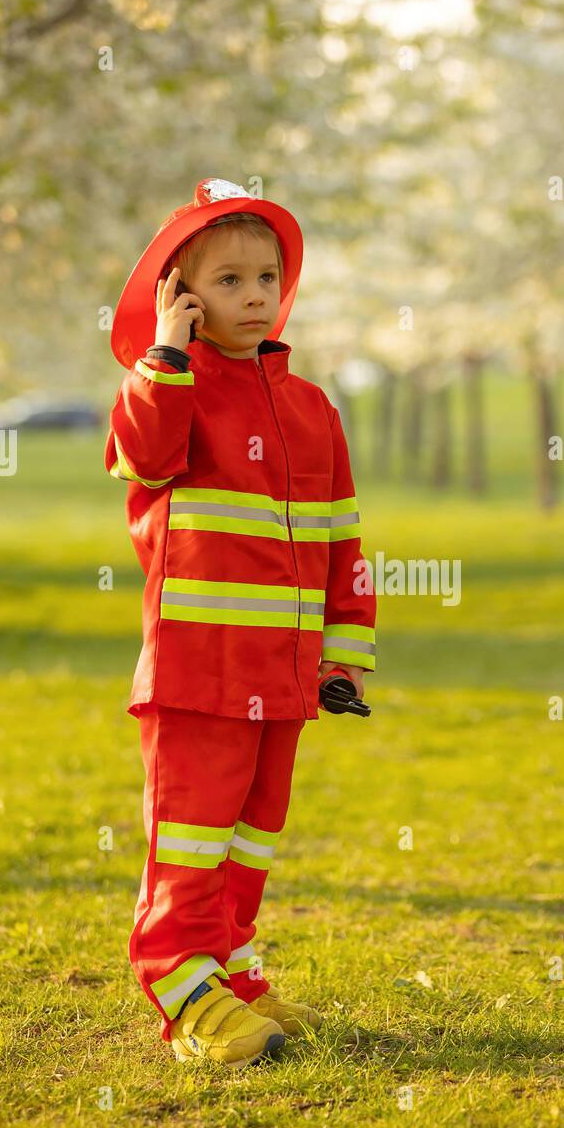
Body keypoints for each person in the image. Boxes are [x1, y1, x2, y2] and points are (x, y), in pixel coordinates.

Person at [104, 178, 376, 1069]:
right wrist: (165, 358)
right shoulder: (167, 391)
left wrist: (344, 655)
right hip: (197, 673)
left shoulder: (312, 407)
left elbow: (341, 538)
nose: (255, 294)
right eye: (227, 281)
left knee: (254, 833)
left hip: (286, 678)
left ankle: (229, 968)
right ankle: (181, 985)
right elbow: (143, 456)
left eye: (268, 276)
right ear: (178, 300)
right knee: (192, 835)